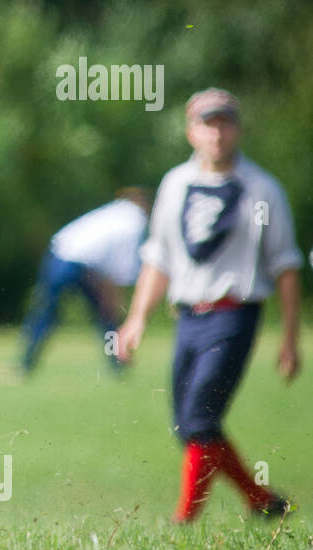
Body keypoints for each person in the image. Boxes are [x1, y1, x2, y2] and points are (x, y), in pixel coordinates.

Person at [116, 89, 301, 522]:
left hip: (235, 313)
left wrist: (290, 339)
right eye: (207, 123)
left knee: (200, 418)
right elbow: (158, 257)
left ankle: (184, 521)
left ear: (237, 129)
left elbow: (286, 267)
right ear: (191, 131)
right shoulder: (176, 184)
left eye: (224, 122)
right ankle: (262, 501)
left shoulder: (261, 190)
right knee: (190, 426)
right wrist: (136, 319)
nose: (216, 133)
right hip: (188, 317)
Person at [20, 188, 151, 373]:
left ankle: (26, 361)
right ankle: (117, 361)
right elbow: (118, 273)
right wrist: (114, 304)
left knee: (46, 311)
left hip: (60, 253)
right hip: (76, 263)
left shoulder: (114, 211)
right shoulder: (134, 223)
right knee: (106, 316)